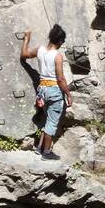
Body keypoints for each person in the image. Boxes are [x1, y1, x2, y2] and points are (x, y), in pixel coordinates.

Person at [20, 24, 72, 160]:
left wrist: (26, 39)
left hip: (42, 89)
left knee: (47, 119)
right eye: (63, 41)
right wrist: (68, 94)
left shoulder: (40, 50)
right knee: (52, 122)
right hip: (54, 90)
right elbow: (60, 79)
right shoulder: (58, 56)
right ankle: (47, 152)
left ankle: (39, 148)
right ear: (60, 41)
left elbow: (24, 55)